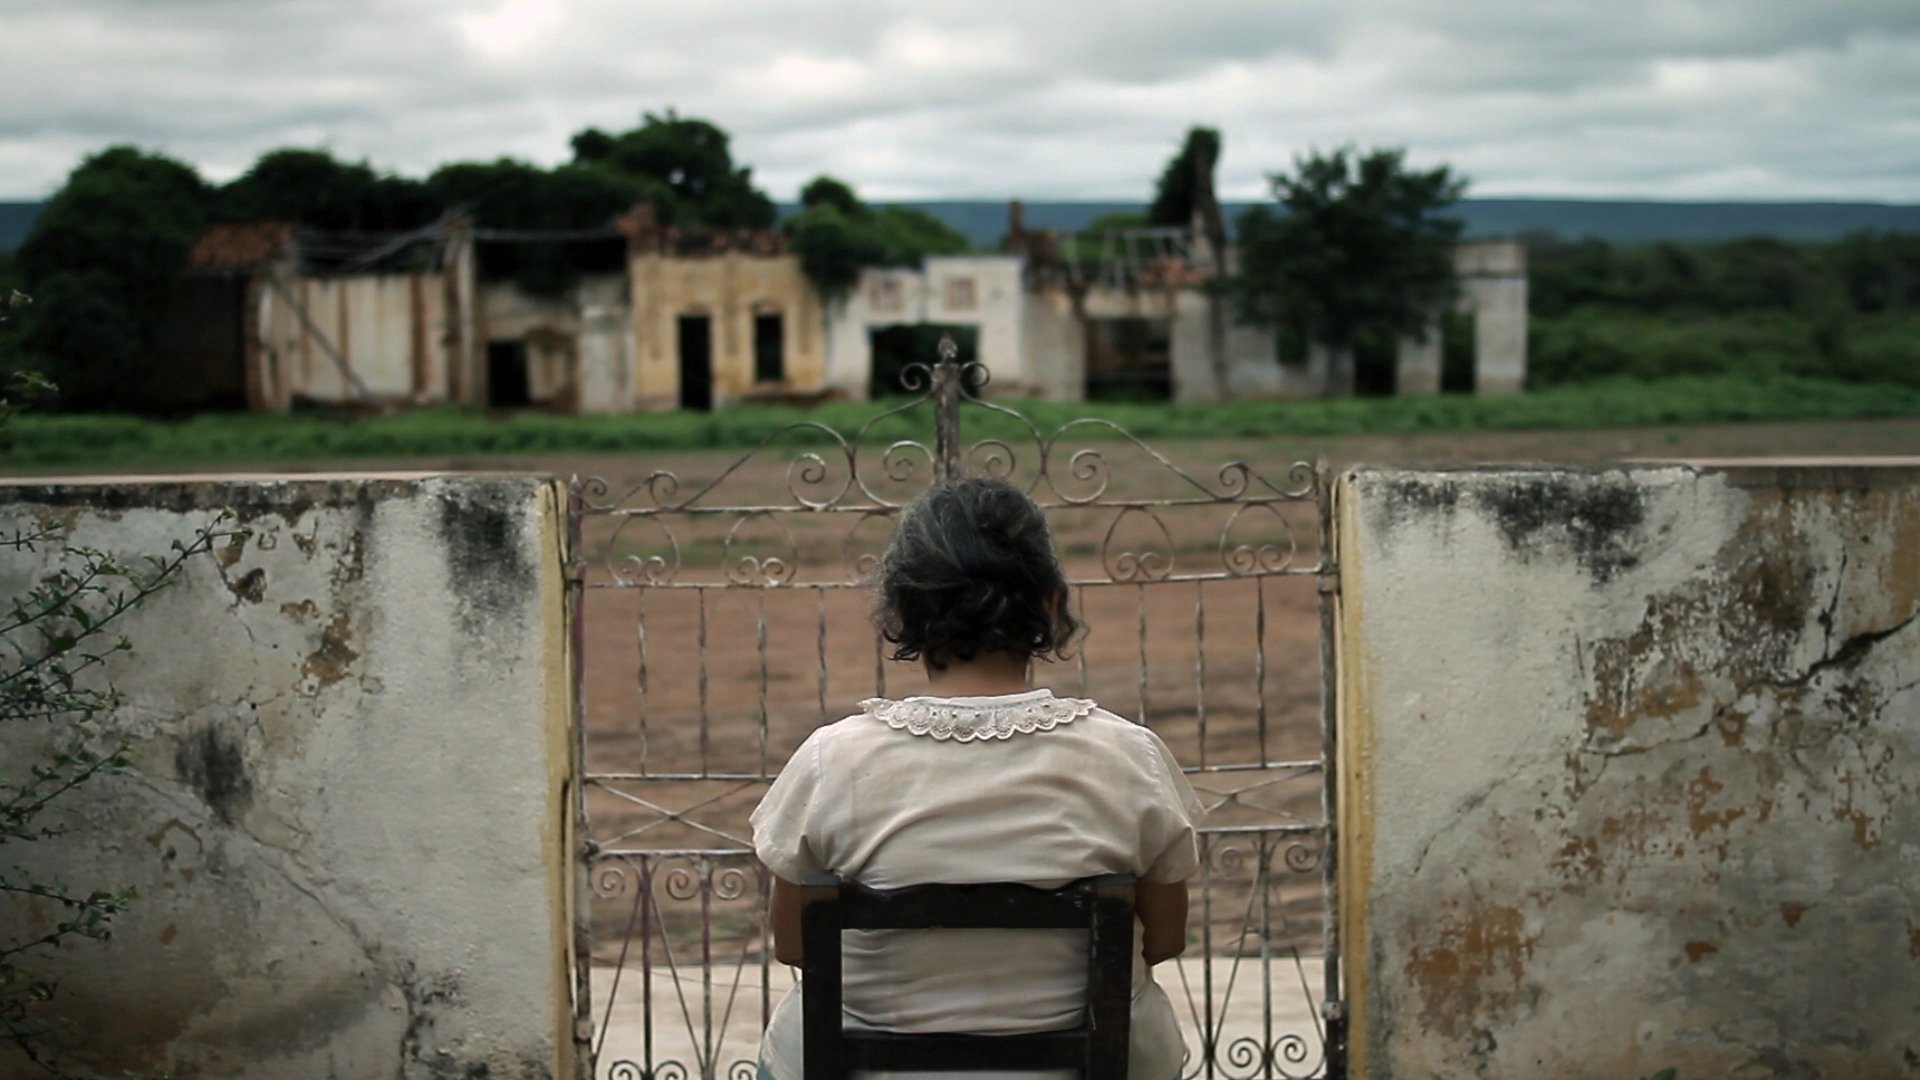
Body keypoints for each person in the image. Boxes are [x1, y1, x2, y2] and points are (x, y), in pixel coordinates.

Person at [749, 475, 1204, 1080]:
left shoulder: (831, 762)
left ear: (904, 609)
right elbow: (1165, 940)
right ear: (1048, 603)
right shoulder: (1128, 757)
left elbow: (794, 945)